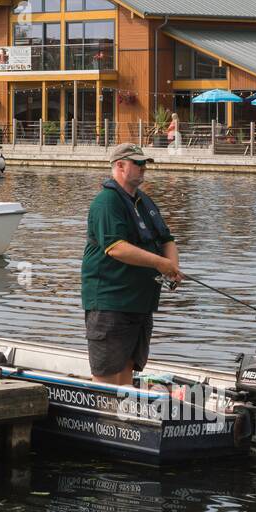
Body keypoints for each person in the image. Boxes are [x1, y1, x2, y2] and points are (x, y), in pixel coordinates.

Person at [82, 143, 182, 386]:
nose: (143, 168)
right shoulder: (106, 202)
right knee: (106, 372)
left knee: (129, 365)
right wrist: (160, 263)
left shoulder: (144, 201)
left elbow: (166, 238)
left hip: (140, 303)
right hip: (111, 301)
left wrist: (173, 268)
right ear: (120, 166)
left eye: (144, 163)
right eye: (138, 164)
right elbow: (115, 247)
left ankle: (125, 414)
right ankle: (103, 419)